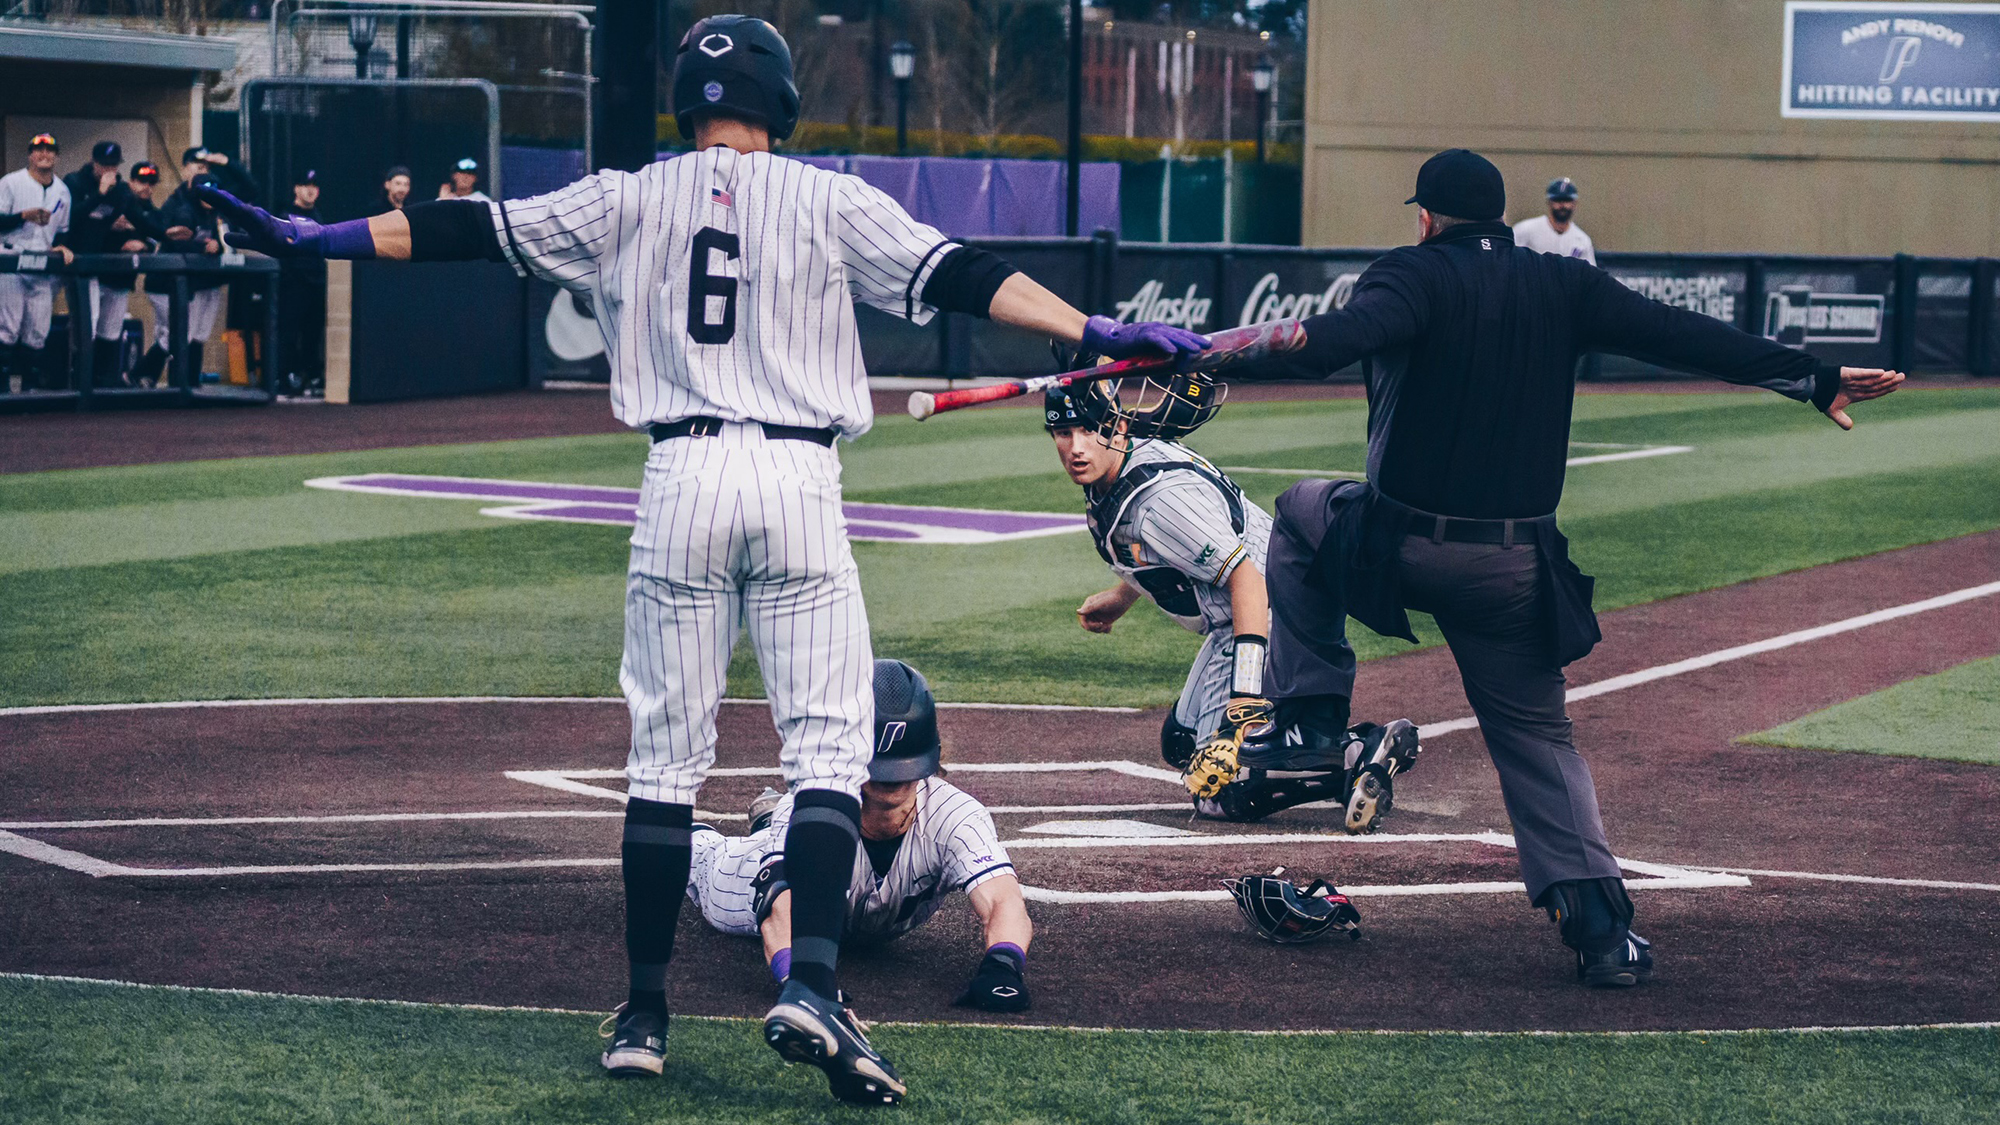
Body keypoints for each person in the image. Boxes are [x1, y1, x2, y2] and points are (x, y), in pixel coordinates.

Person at [193, 12, 1203, 1106]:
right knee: (825, 751)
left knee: (663, 765)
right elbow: (967, 274)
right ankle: (810, 984)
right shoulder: (828, 198)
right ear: (780, 101)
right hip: (795, 481)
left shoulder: (625, 196)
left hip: (676, 480)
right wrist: (1092, 331)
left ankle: (642, 1014)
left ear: (687, 103)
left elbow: (461, 228)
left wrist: (316, 239)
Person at [1219, 148, 1903, 989]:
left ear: (1427, 217)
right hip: (1511, 566)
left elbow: (1322, 344)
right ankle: (1603, 933)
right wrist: (1815, 376)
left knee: (1295, 510)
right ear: (1503, 219)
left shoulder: (1410, 274)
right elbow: (1684, 335)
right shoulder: (1561, 282)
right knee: (1540, 739)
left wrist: (1200, 351)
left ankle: (1312, 724)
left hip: (1394, 548)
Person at [1047, 380, 1420, 829]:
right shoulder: (1129, 460)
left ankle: (1354, 761)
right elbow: (1169, 550)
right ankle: (1330, 747)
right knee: (1182, 743)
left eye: (1090, 430)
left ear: (1120, 428)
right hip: (1255, 602)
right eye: (1064, 432)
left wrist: (1243, 703)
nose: (1076, 447)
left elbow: (1248, 579)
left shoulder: (1161, 502)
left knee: (1216, 792)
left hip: (1266, 609)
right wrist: (1123, 595)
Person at [681, 660, 1033, 1023]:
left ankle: (768, 824)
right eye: (881, 769)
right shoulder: (813, 810)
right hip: (749, 880)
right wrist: (800, 976)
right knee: (696, 858)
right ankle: (719, 835)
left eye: (903, 767)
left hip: (861, 916)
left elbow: (1003, 898)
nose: (893, 779)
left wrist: (1003, 965)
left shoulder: (956, 815)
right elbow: (779, 909)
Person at [62, 143, 173, 386]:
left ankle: (103, 383)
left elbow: (142, 222)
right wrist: (99, 195)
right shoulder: (74, 183)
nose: (109, 170)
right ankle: (79, 384)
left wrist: (167, 235)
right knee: (86, 326)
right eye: (104, 165)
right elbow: (70, 218)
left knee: (110, 330)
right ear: (94, 163)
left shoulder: (121, 191)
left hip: (113, 274)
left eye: (113, 165)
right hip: (81, 265)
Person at [133, 152, 226, 387]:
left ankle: (154, 378)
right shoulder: (184, 210)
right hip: (163, 283)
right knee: (176, 333)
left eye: (213, 190)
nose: (209, 196)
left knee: (178, 333)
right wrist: (203, 246)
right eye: (204, 190)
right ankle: (143, 376)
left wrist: (214, 247)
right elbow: (178, 242)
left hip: (181, 285)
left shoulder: (211, 214)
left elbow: (218, 246)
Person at [0, 133, 75, 390]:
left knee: (38, 331)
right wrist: (23, 215)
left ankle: (29, 390)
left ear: (56, 155)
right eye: (39, 150)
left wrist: (62, 245)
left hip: (43, 262)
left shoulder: (62, 190)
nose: (45, 154)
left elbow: (63, 230)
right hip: (11, 258)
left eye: (50, 150)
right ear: (30, 154)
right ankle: (3, 390)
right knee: (7, 328)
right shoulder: (11, 182)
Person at [279, 170, 326, 395]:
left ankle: (313, 376)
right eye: (305, 185)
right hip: (293, 285)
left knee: (313, 334)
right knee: (289, 332)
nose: (310, 190)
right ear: (296, 189)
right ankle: (288, 375)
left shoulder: (318, 215)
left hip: (316, 285)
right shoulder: (286, 215)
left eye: (314, 186)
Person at [1512, 177, 1596, 265]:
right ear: (1549, 202)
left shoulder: (1582, 240)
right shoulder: (1525, 229)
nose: (1562, 205)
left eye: (1567, 200)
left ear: (1574, 203)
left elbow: (1590, 274)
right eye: (1558, 200)